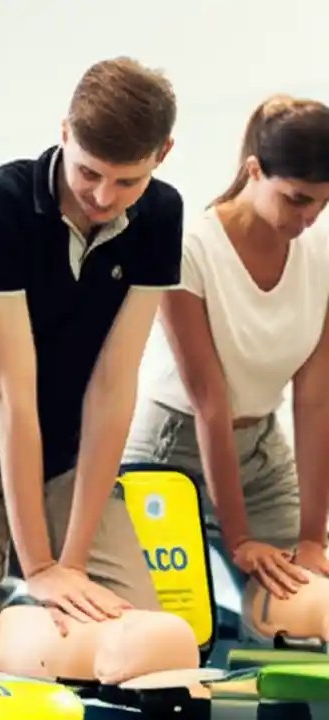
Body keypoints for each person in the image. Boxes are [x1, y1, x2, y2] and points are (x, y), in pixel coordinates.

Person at [0, 57, 184, 678]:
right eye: (90, 173)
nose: (104, 197)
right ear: (65, 131)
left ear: (163, 154)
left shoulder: (161, 215)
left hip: (65, 455)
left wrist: (68, 562)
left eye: (128, 181)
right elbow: (10, 393)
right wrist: (41, 567)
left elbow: (113, 385)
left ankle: (19, 581)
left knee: (137, 638)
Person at [122, 95, 329, 616]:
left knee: (309, 601)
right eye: (297, 199)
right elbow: (210, 401)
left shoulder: (320, 255)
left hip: (262, 450)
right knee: (177, 623)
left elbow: (314, 401)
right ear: (254, 171)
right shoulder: (190, 248)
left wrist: (312, 537)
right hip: (176, 449)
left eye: (324, 203)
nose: (309, 218)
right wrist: (239, 541)